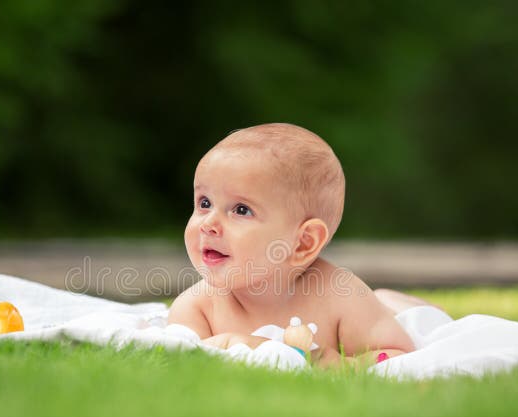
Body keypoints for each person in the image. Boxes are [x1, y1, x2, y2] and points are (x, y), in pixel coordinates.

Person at [167, 123, 434, 365]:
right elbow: (186, 368)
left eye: (241, 210)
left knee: (416, 315)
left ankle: (391, 301)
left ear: (303, 243)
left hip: (380, 312)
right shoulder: (197, 308)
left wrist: (338, 363)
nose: (208, 223)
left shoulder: (340, 296)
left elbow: (399, 357)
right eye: (204, 203)